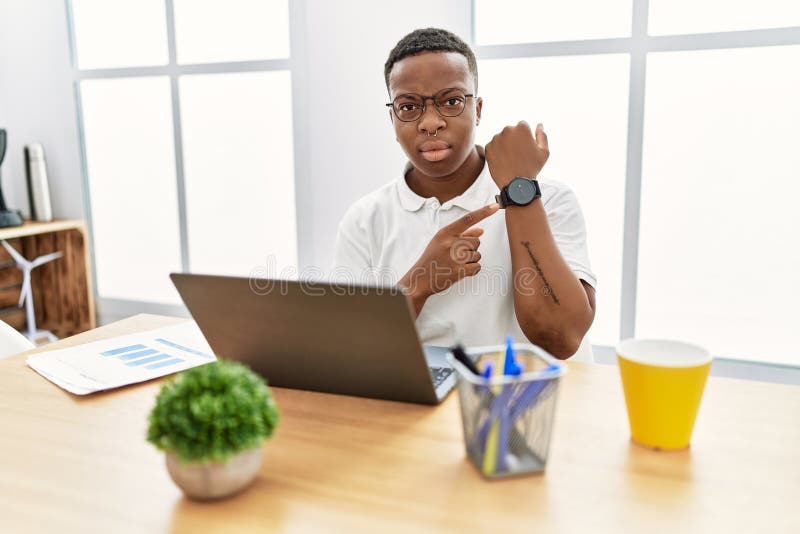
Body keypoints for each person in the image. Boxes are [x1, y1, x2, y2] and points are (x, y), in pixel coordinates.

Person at [333, 28, 596, 360]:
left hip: (526, 400)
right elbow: (352, 352)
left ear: (478, 109)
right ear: (392, 118)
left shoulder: (552, 200)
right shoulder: (364, 220)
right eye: (409, 106)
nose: (430, 122)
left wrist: (519, 190)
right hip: (424, 404)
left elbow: (559, 337)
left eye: (452, 101)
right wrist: (420, 282)